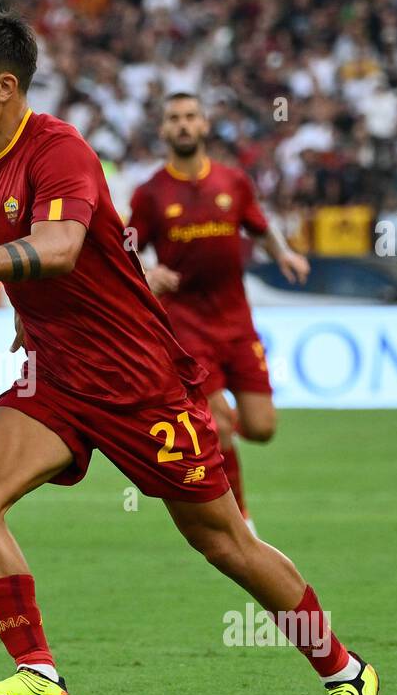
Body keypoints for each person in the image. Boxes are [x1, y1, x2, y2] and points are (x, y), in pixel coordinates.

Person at [0, 11, 378, 695]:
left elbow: (63, 246)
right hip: (58, 380)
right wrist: (23, 317)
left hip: (140, 383)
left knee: (224, 543)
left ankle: (346, 672)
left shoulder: (60, 150)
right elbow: (32, 259)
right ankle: (38, 675)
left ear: (4, 87)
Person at [127, 94, 311, 530]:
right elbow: (124, 249)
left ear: (205, 125)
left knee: (262, 427)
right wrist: (147, 272)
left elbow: (259, 227)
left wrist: (284, 255)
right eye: (174, 119)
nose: (184, 125)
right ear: (164, 130)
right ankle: (242, 522)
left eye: (191, 117)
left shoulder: (233, 182)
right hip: (185, 326)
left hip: (237, 323)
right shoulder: (151, 193)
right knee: (218, 425)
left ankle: (215, 440)